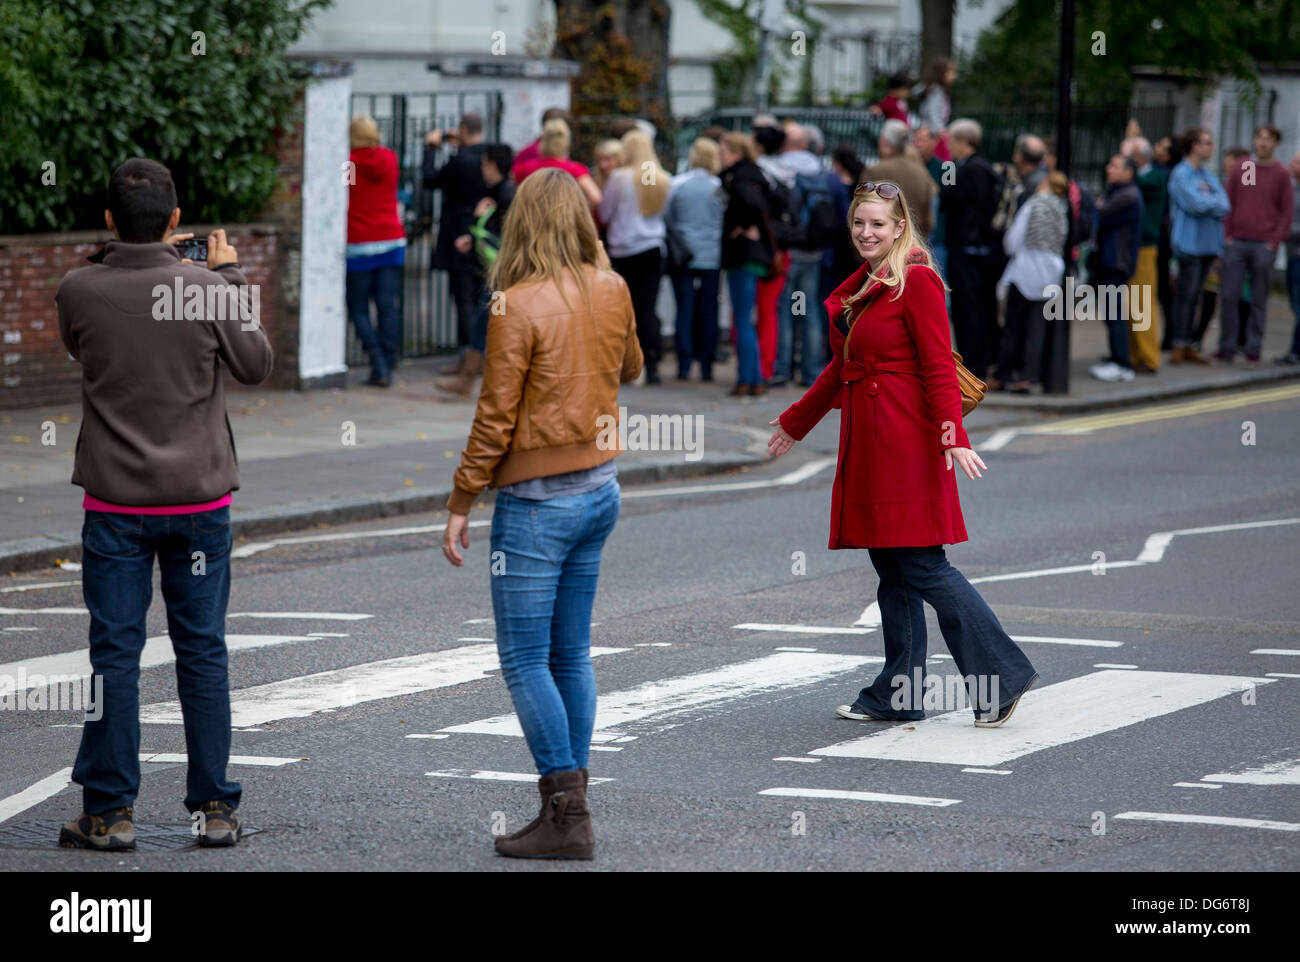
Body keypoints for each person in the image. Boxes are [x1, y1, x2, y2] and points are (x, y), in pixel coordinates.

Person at [54, 158, 273, 850]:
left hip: (116, 504)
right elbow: (256, 364)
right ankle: (213, 809)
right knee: (201, 651)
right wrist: (226, 276)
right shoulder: (206, 289)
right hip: (199, 503)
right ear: (177, 222)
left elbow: (78, 347)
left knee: (114, 653)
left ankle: (109, 812)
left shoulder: (78, 289)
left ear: (110, 218)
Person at [767, 180, 1038, 727]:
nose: (867, 233)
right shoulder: (870, 281)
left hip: (906, 442)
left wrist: (952, 436)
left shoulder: (916, 281)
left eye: (878, 224)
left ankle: (1002, 676)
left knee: (921, 563)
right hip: (872, 441)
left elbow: (939, 365)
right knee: (893, 566)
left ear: (899, 227)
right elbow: (844, 368)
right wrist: (797, 421)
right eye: (859, 223)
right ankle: (899, 692)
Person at [440, 168, 643, 861]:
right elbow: (634, 368)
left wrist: (463, 499)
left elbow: (494, 418)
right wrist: (605, 292)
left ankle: (566, 813)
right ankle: (569, 808)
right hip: (601, 489)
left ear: (521, 223)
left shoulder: (515, 303)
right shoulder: (612, 287)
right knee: (569, 653)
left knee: (526, 659)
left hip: (537, 504)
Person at [436, 142, 516, 398]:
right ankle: (468, 380)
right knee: (484, 323)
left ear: (492, 165)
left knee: (491, 325)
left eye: (484, 164)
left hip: (504, 273)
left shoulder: (505, 194)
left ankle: (476, 381)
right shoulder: (503, 191)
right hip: (500, 272)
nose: (482, 168)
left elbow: (503, 236)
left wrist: (476, 222)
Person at [1218, 124, 1294, 364]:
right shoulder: (1246, 168)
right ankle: (1227, 347)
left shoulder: (1281, 173)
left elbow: (1286, 212)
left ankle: (1253, 348)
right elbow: (1230, 201)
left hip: (1263, 245)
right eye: (1259, 138)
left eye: (1268, 139)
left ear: (1275, 144)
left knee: (1258, 299)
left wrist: (1274, 242)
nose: (1262, 143)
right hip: (1237, 242)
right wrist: (1227, 234)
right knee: (1229, 295)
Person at [598, 129, 670, 384]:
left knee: (626, 310)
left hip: (624, 250)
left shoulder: (619, 178)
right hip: (653, 248)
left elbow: (605, 214)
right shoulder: (661, 179)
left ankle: (629, 363)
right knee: (648, 307)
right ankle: (652, 363)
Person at [992, 172, 1069, 393]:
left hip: (1026, 270)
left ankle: (1002, 375)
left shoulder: (1032, 205)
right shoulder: (1062, 207)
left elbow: (1013, 241)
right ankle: (1029, 375)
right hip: (1051, 272)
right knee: (1037, 329)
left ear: (1044, 183)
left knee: (1013, 329)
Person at [423, 113, 488, 371]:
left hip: (458, 236)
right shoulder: (488, 156)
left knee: (462, 297)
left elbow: (430, 180)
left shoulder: (459, 161)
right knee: (483, 297)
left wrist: (430, 149)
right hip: (485, 237)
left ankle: (468, 354)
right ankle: (482, 351)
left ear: (462, 129)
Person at [346, 116, 406, 387]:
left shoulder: (348, 163)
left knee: (358, 308)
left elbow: (344, 189)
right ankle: (390, 358)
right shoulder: (390, 158)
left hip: (359, 242)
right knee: (387, 304)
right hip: (391, 238)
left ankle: (378, 361)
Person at [773, 123, 834, 387]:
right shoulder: (819, 168)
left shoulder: (782, 167)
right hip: (814, 249)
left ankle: (783, 368)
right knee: (808, 309)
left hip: (791, 248)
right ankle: (810, 372)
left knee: (784, 308)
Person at [940, 118, 1000, 377]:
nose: (949, 147)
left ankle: (973, 365)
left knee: (970, 310)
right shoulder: (980, 167)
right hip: (974, 249)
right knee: (974, 308)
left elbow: (947, 197)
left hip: (968, 250)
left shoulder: (969, 169)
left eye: (952, 141)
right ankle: (976, 362)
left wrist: (948, 168)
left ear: (964, 142)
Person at [1167, 127, 1230, 365]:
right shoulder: (1181, 174)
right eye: (1206, 142)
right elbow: (1194, 204)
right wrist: (1211, 203)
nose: (1210, 147)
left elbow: (1225, 204)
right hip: (1188, 244)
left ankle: (1190, 344)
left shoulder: (1207, 176)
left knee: (1197, 297)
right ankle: (1178, 344)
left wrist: (1210, 203)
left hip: (1208, 245)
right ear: (1194, 145)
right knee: (1186, 295)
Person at [718, 131, 774, 397]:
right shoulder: (755, 173)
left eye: (724, 151)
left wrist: (743, 226)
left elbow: (752, 204)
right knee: (748, 319)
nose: (720, 156)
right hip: (756, 254)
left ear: (736, 153)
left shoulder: (739, 176)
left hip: (743, 255)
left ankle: (748, 379)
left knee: (742, 319)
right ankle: (754, 378)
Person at [665, 137, 724, 381]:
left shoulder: (677, 184)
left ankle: (684, 363)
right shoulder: (719, 186)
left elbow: (669, 217)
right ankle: (707, 364)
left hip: (685, 255)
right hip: (712, 254)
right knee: (710, 310)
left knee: (684, 309)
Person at [1089, 153, 1144, 383]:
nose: (1108, 168)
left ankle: (1122, 364)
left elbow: (1098, 213)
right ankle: (1116, 358)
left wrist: (1100, 205)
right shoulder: (1118, 193)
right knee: (1110, 313)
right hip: (1108, 261)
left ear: (1129, 172)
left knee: (1115, 314)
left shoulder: (1128, 196)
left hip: (1116, 262)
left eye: (1115, 166)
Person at [1119, 136, 1167, 374]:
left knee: (1143, 303)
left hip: (1145, 247)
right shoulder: (1143, 177)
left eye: (1129, 156)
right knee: (1130, 304)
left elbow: (1135, 181)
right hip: (1133, 246)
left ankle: (1149, 357)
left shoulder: (1154, 177)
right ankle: (1133, 354)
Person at [753, 124, 791, 383]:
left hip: (760, 248)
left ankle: (756, 367)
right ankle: (768, 366)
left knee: (750, 311)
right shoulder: (789, 172)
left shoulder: (757, 173)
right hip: (783, 248)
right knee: (771, 311)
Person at [863, 120, 936, 238]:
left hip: (881, 244)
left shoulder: (875, 171)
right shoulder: (922, 172)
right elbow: (928, 222)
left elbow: (863, 212)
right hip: (913, 241)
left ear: (884, 141)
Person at [512, 119, 602, 209]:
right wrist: (575, 213)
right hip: (564, 220)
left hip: (531, 219)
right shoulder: (575, 169)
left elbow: (513, 195)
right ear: (567, 142)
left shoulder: (523, 168)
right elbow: (595, 198)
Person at [1276, 150, 1300, 365]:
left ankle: (1296, 350)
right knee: (1294, 304)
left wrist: (1282, 229)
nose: (1292, 165)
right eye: (1292, 160)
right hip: (1292, 254)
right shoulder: (1289, 188)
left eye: (1297, 162)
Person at [916, 58, 957, 161]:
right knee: (943, 160)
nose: (954, 76)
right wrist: (941, 130)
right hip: (933, 133)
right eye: (951, 72)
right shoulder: (937, 91)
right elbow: (933, 113)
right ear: (942, 73)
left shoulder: (935, 89)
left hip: (933, 131)